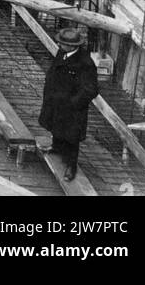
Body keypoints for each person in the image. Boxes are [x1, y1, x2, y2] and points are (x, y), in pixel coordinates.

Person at [38, 26, 99, 182]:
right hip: (56, 101)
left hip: (72, 108)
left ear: (73, 46)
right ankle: (56, 147)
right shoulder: (63, 53)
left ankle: (71, 166)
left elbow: (91, 89)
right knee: (55, 126)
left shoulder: (85, 63)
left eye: (62, 43)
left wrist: (74, 103)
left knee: (72, 137)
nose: (59, 45)